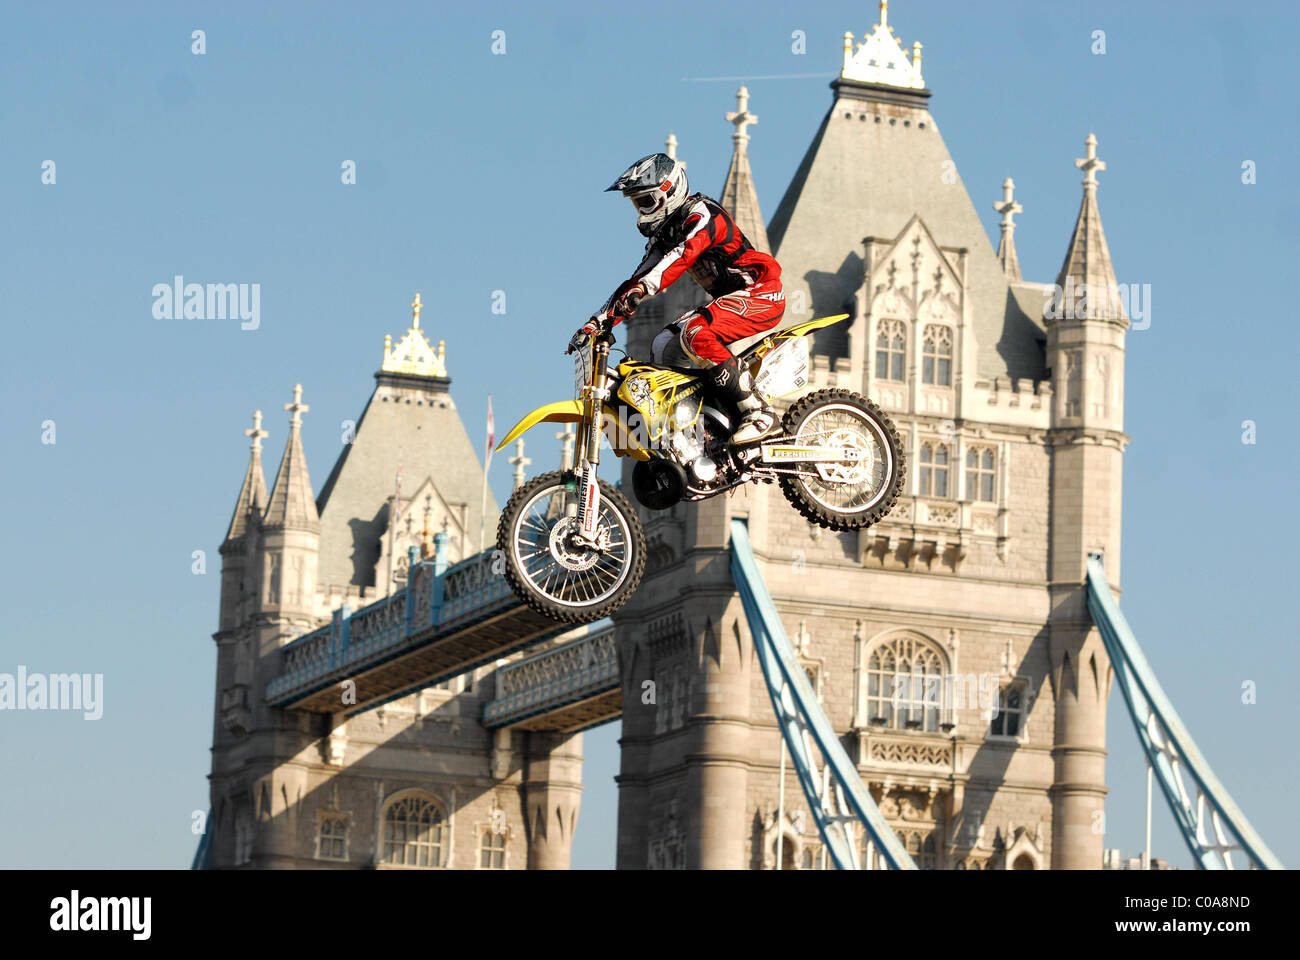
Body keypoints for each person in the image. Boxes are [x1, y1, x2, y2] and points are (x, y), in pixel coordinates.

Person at [568, 153, 785, 445]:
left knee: (695, 332)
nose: (642, 211)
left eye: (646, 201)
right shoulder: (665, 233)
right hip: (729, 302)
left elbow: (682, 255)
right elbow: (638, 277)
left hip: (761, 293)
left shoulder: (702, 214)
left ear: (669, 192)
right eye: (637, 204)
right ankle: (699, 426)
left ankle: (759, 412)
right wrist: (597, 322)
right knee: (663, 344)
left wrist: (644, 288)